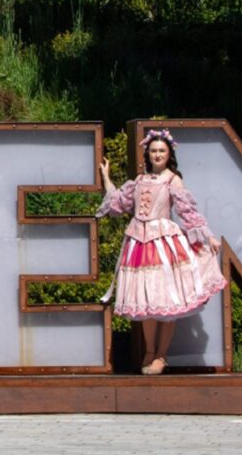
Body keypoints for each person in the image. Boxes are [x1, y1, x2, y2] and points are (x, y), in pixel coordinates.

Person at [97, 127, 226, 375]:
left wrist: (207, 236)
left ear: (169, 154)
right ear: (147, 153)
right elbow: (118, 204)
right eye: (153, 151)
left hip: (164, 243)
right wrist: (107, 178)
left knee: (167, 299)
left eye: (162, 151)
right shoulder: (138, 180)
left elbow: (188, 212)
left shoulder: (172, 179)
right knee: (147, 301)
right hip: (138, 245)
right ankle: (149, 351)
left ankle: (161, 355)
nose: (157, 155)